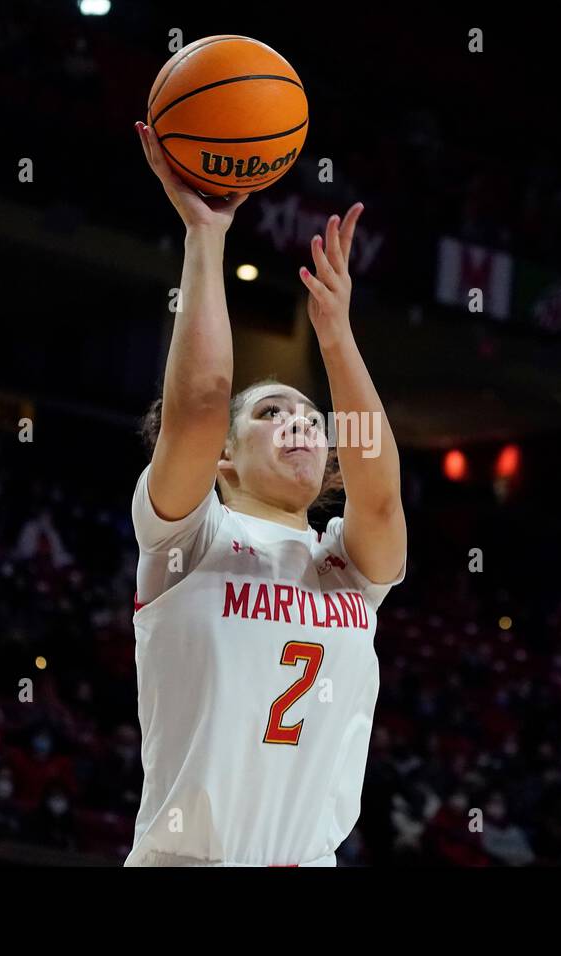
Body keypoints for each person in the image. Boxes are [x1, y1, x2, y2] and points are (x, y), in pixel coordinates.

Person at [122, 121, 407, 867]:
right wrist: (206, 237)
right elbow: (199, 402)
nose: (300, 425)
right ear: (224, 455)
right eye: (272, 413)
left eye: (313, 418)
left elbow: (378, 497)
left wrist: (336, 334)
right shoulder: (190, 540)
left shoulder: (348, 565)